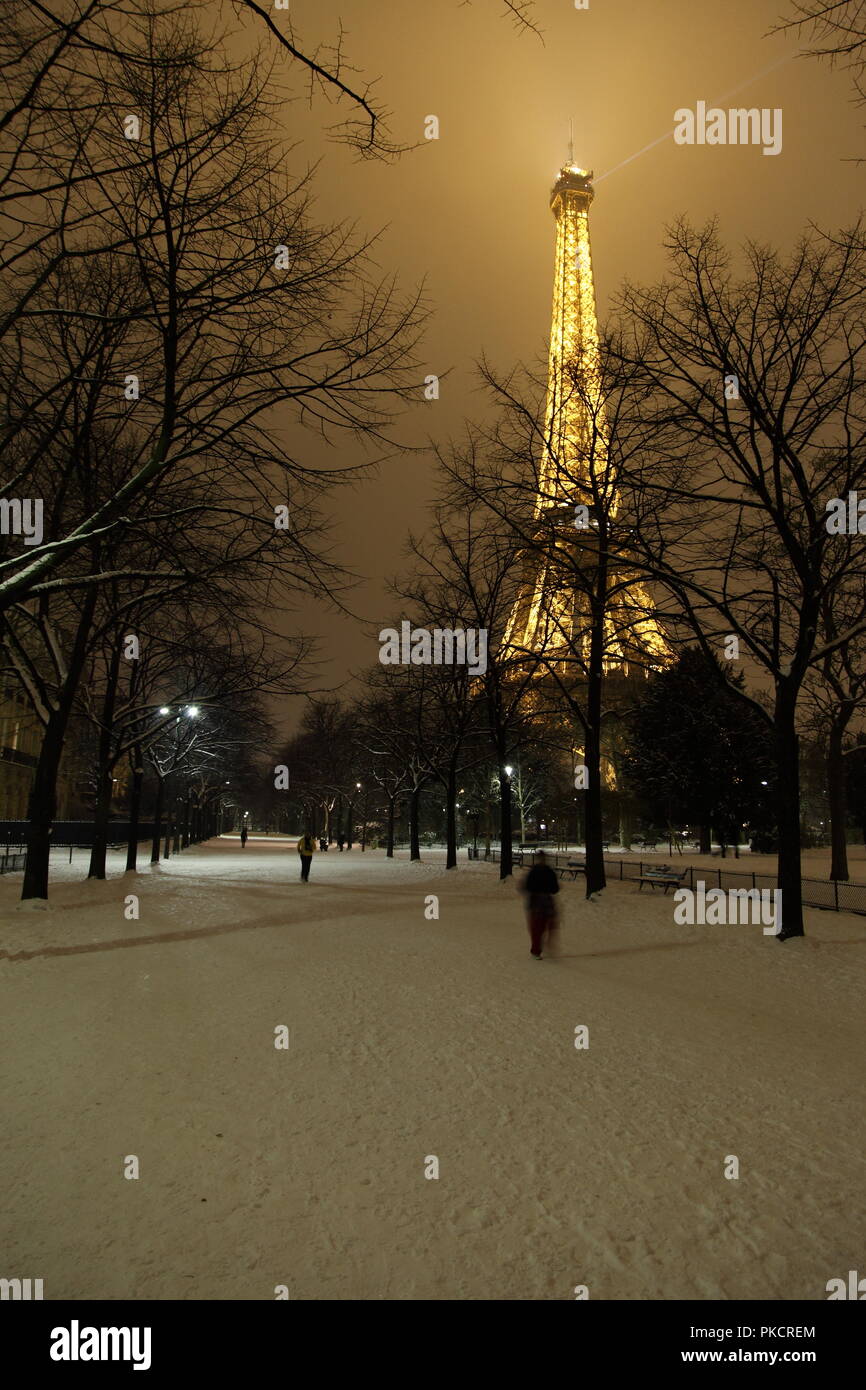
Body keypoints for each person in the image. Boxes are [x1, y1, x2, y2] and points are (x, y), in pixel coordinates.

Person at [520, 850, 560, 960]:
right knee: (539, 926)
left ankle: (539, 948)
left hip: (540, 900)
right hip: (541, 900)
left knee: (544, 925)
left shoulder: (537, 871)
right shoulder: (545, 871)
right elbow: (555, 888)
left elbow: (526, 886)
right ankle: (537, 949)